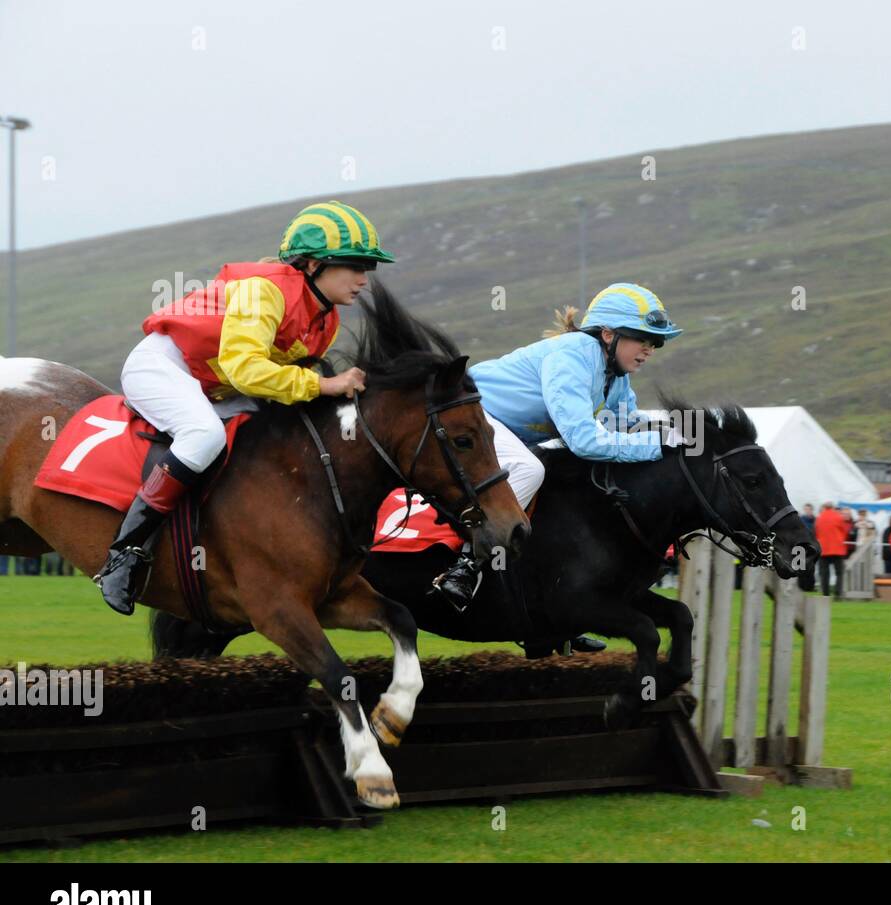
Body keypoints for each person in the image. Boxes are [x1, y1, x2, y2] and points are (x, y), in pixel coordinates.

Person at [96, 201, 390, 614]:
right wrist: (324, 384)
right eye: (353, 265)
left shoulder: (327, 319)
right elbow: (247, 369)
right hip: (164, 365)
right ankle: (125, 553)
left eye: (368, 268)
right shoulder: (264, 290)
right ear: (311, 265)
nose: (363, 279)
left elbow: (276, 384)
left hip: (216, 383)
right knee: (204, 436)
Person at [435, 282, 684, 612]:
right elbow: (584, 441)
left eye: (655, 342)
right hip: (472, 418)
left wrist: (685, 433)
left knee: (561, 476)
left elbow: (624, 423)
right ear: (608, 335)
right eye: (641, 338)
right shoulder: (573, 356)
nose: (649, 348)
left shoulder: (616, 376)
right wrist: (658, 445)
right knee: (530, 469)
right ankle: (465, 567)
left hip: (505, 432)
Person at [814, 502, 851, 598]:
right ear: (833, 507)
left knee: (824, 574)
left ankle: (825, 594)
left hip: (824, 549)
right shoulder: (838, 517)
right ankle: (838, 594)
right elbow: (844, 531)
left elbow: (816, 532)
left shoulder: (819, 518)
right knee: (839, 573)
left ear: (824, 507)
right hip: (837, 549)